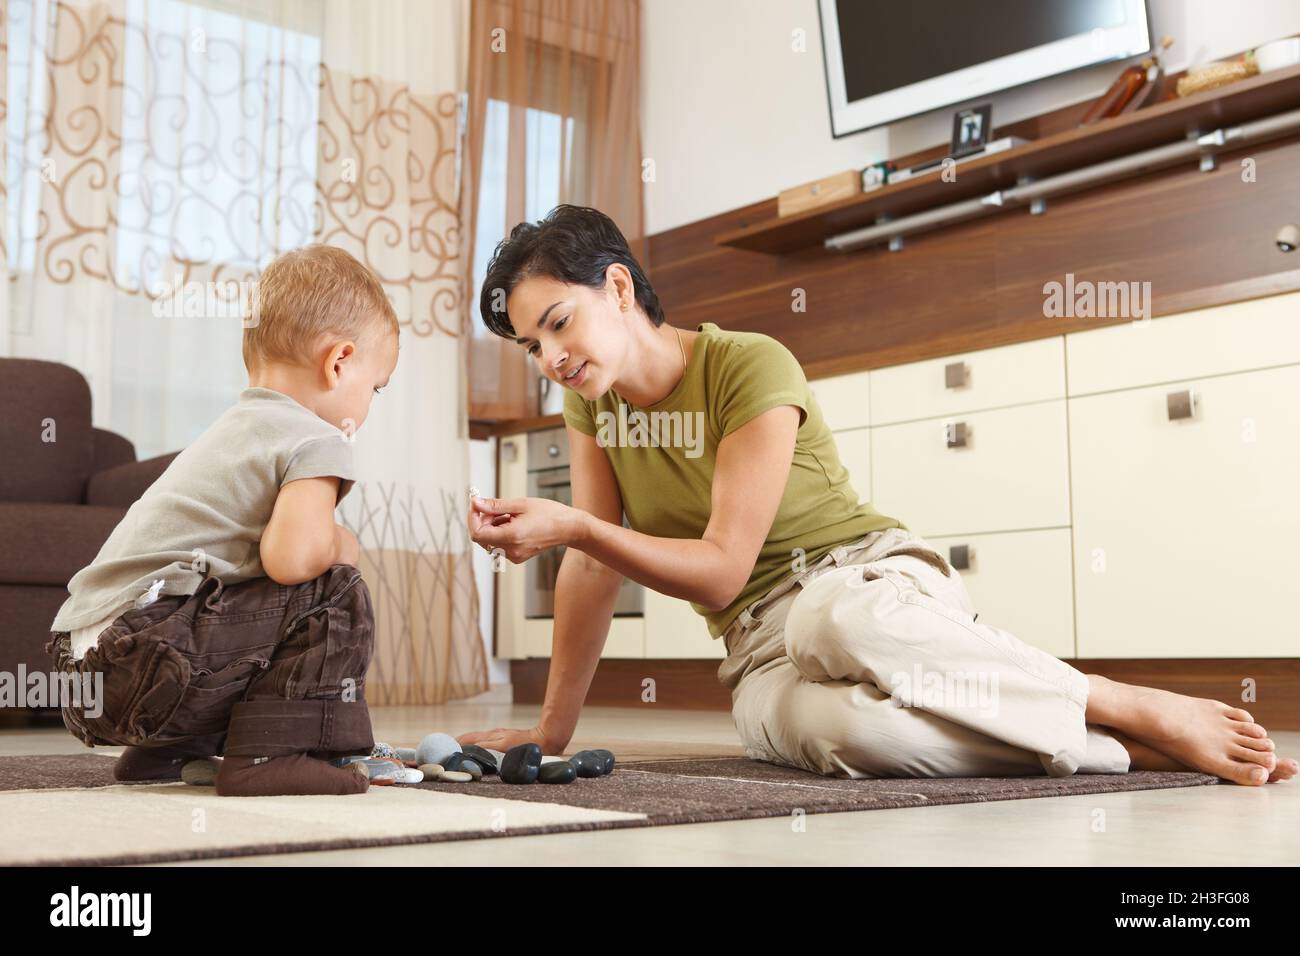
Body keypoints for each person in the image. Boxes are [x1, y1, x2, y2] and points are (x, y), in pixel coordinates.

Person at [462, 204, 1295, 787]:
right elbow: (593, 570)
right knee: (858, 733)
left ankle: (1126, 702)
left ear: (615, 288)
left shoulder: (747, 364)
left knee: (835, 621)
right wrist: (549, 733)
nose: (550, 358)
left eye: (558, 323)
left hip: (863, 583)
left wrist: (575, 526)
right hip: (760, 652)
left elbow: (719, 569)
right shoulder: (590, 405)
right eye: (532, 343)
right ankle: (1124, 751)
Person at [45, 244, 400, 797]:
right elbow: (293, 560)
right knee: (336, 589)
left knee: (234, 590)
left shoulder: (232, 429)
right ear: (339, 362)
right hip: (148, 657)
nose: (371, 405)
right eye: (375, 387)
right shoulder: (317, 437)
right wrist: (341, 543)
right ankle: (266, 756)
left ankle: (162, 751)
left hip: (80, 675)